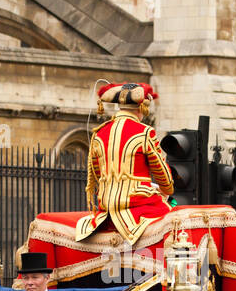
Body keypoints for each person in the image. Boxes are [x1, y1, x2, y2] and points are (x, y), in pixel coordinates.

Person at [74, 82, 174, 243]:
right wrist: (163, 189)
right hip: (139, 209)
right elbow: (166, 182)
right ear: (141, 108)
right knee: (177, 219)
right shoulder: (145, 133)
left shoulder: (98, 134)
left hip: (106, 213)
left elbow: (98, 176)